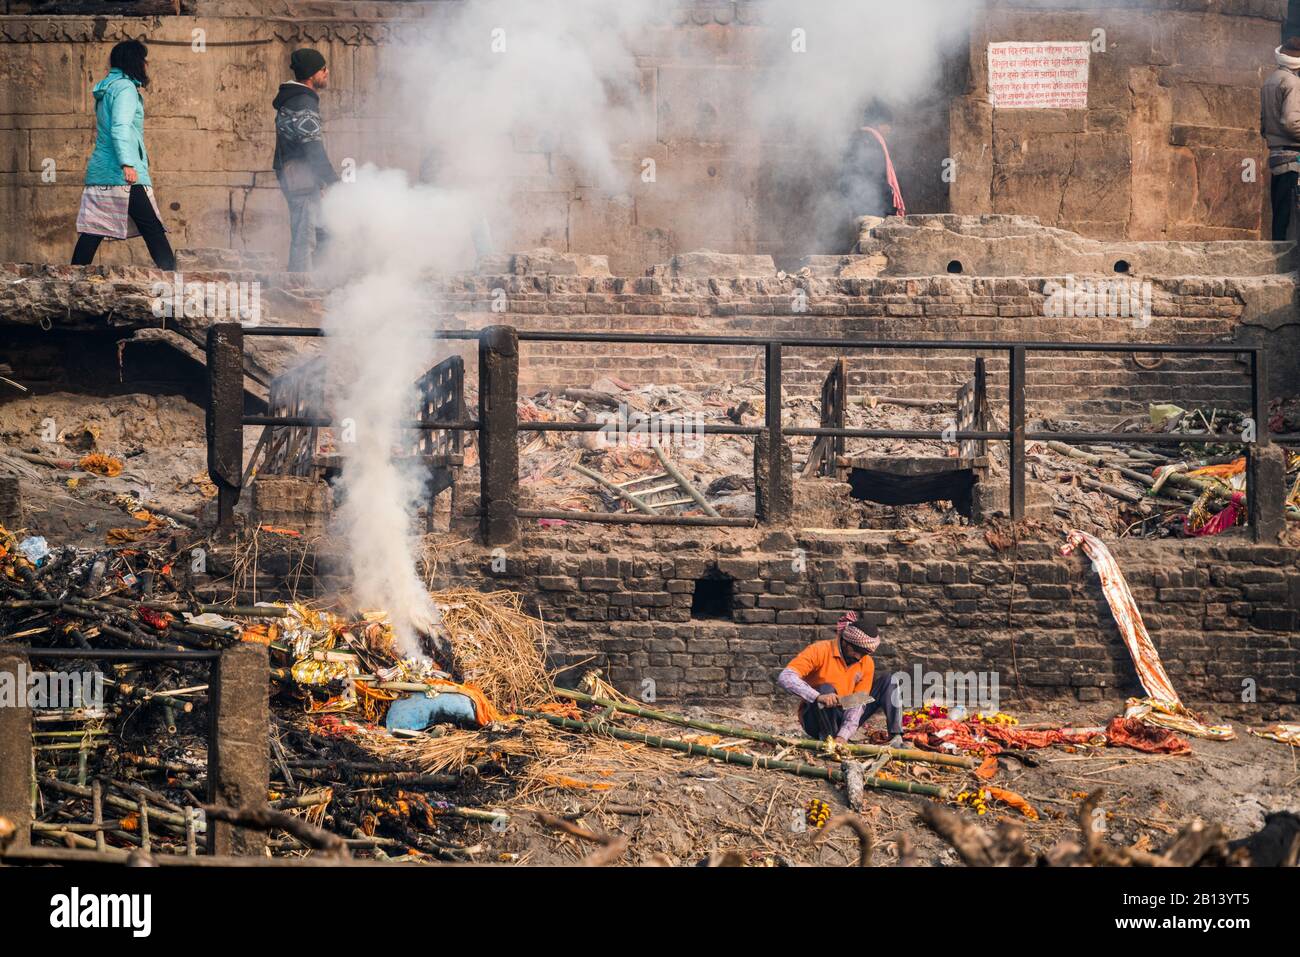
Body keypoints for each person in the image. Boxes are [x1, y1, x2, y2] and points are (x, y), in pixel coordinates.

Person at [71, 40, 176, 270]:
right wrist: (128, 164)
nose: (146, 64)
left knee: (93, 230)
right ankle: (173, 279)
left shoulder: (108, 87)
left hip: (103, 172)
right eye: (143, 59)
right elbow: (120, 127)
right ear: (134, 61)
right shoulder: (126, 89)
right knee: (152, 228)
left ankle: (71, 278)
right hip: (122, 175)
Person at [777, 611, 904, 748]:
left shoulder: (866, 662)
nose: (859, 657)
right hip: (816, 718)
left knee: (889, 680)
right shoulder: (820, 650)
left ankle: (896, 736)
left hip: (845, 714)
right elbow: (785, 677)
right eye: (856, 650)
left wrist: (843, 736)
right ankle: (827, 738)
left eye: (864, 653)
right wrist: (818, 696)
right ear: (845, 642)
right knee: (826, 688)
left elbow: (858, 702)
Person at [273, 48, 340, 272]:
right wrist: (332, 180)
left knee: (323, 232)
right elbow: (312, 146)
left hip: (300, 175)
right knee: (305, 235)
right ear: (312, 74)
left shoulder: (295, 99)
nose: (327, 72)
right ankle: (299, 290)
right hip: (300, 176)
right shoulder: (303, 101)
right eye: (323, 69)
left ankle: (318, 281)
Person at [1262, 36, 1300, 241]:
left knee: (1280, 209)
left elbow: (1263, 124)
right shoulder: (1293, 82)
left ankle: (1277, 247)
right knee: (1289, 210)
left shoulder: (1271, 80)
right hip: (1292, 157)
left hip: (1276, 153)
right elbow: (1291, 122)